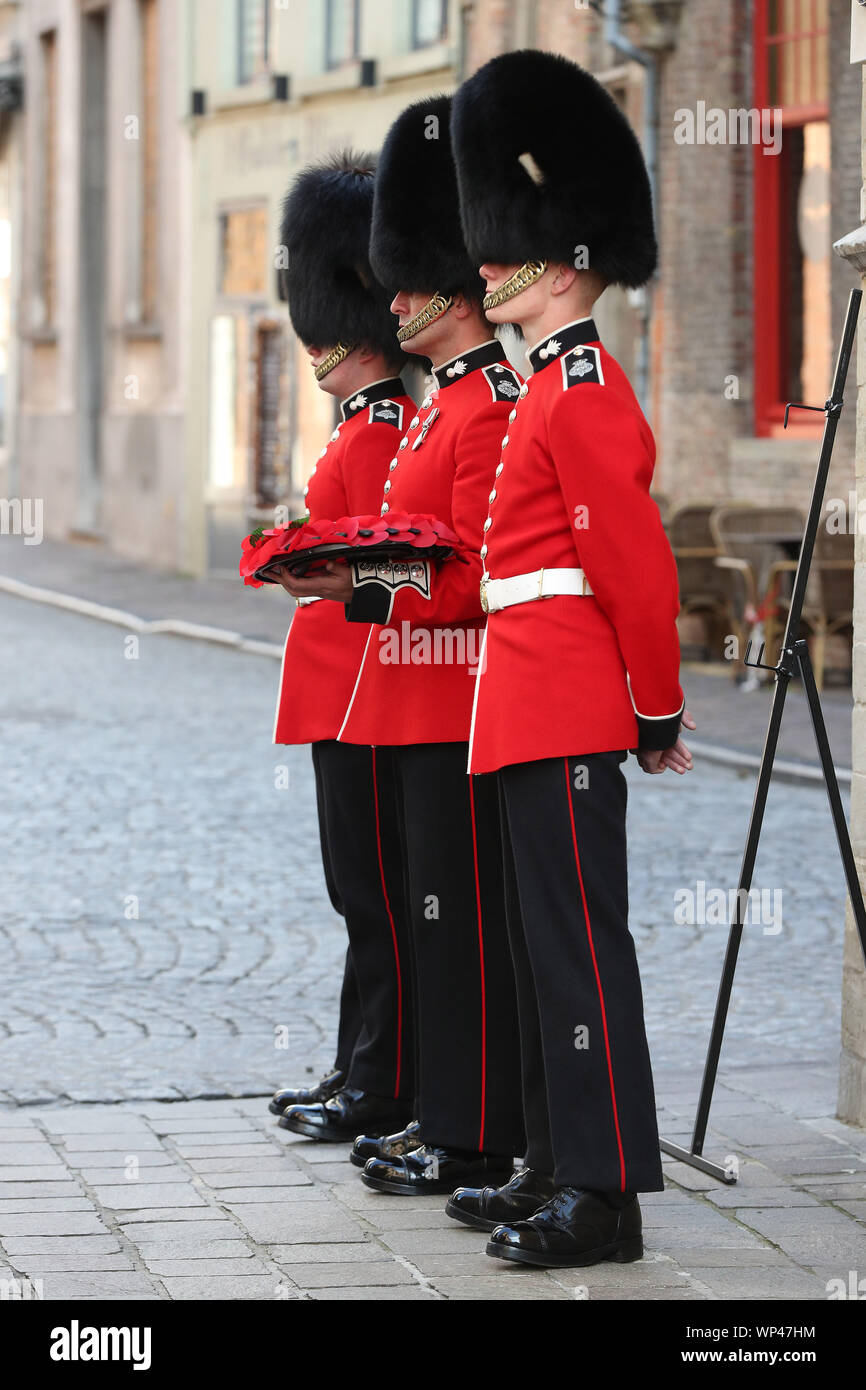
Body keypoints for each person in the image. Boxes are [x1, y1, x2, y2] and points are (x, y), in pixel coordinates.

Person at [447, 49, 696, 1266]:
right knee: (539, 948)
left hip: (570, 704)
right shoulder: (540, 385)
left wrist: (653, 709)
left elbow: (632, 573)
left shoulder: (582, 384)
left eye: (504, 246)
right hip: (522, 699)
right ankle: (552, 1157)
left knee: (580, 950)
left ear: (565, 256)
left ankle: (604, 1196)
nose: (483, 264)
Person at [278, 98, 526, 1195]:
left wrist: (353, 581)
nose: (393, 302)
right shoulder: (426, 414)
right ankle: (423, 1103)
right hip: (389, 691)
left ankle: (449, 1114)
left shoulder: (456, 410)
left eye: (409, 279)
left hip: (441, 696)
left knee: (438, 924)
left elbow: (466, 567)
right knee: (396, 912)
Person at [267, 152, 416, 1142]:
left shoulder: (380, 429)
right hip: (337, 688)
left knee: (377, 899)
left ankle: (380, 1079)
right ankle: (355, 1064)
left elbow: (393, 576)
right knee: (356, 896)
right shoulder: (360, 423)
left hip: (367, 689)